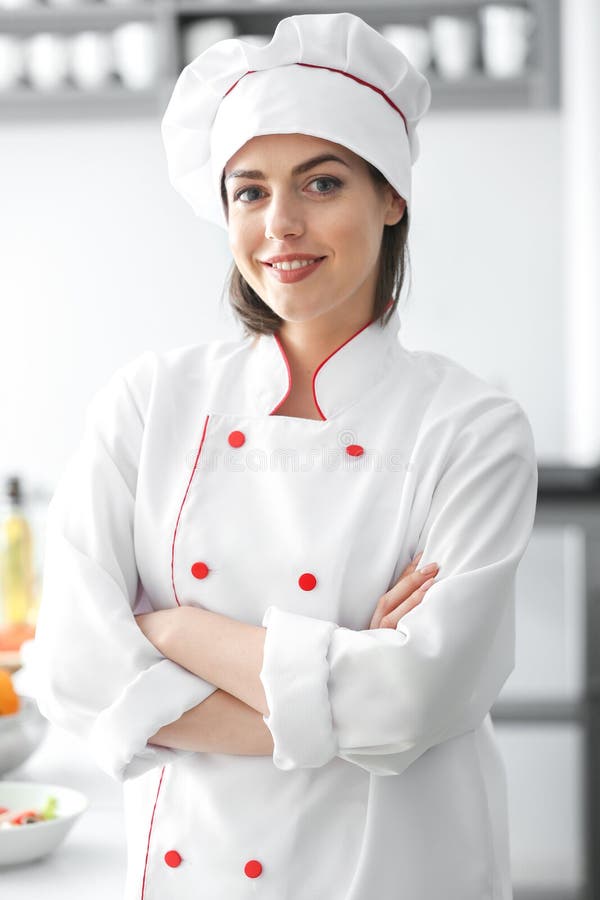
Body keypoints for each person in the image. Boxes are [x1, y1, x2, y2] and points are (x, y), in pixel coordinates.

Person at [32, 11, 538, 900]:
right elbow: (74, 666)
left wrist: (175, 635)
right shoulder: (150, 402)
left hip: (396, 873)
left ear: (392, 197)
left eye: (322, 182)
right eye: (251, 192)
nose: (282, 225)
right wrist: (350, 688)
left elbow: (420, 698)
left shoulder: (472, 428)